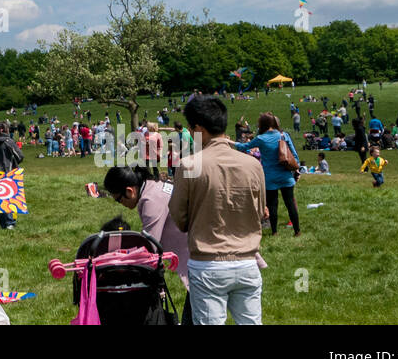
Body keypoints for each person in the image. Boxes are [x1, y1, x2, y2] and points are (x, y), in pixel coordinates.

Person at [169, 95, 267, 326]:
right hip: (247, 260)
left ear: (199, 129)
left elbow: (179, 217)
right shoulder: (253, 164)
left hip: (208, 263)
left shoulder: (190, 165)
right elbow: (260, 211)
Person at [103, 165, 191, 323]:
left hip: (200, 262)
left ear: (129, 191)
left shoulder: (151, 200)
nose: (119, 204)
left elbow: (150, 247)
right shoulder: (153, 187)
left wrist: (119, 258)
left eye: (118, 199)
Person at [235, 113, 302, 236]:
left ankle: (274, 232)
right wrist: (296, 169)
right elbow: (294, 155)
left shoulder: (261, 139)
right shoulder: (283, 135)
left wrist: (230, 142)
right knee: (290, 203)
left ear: (263, 124)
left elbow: (244, 147)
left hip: (269, 177)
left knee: (272, 205)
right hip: (285, 175)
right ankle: (297, 231)